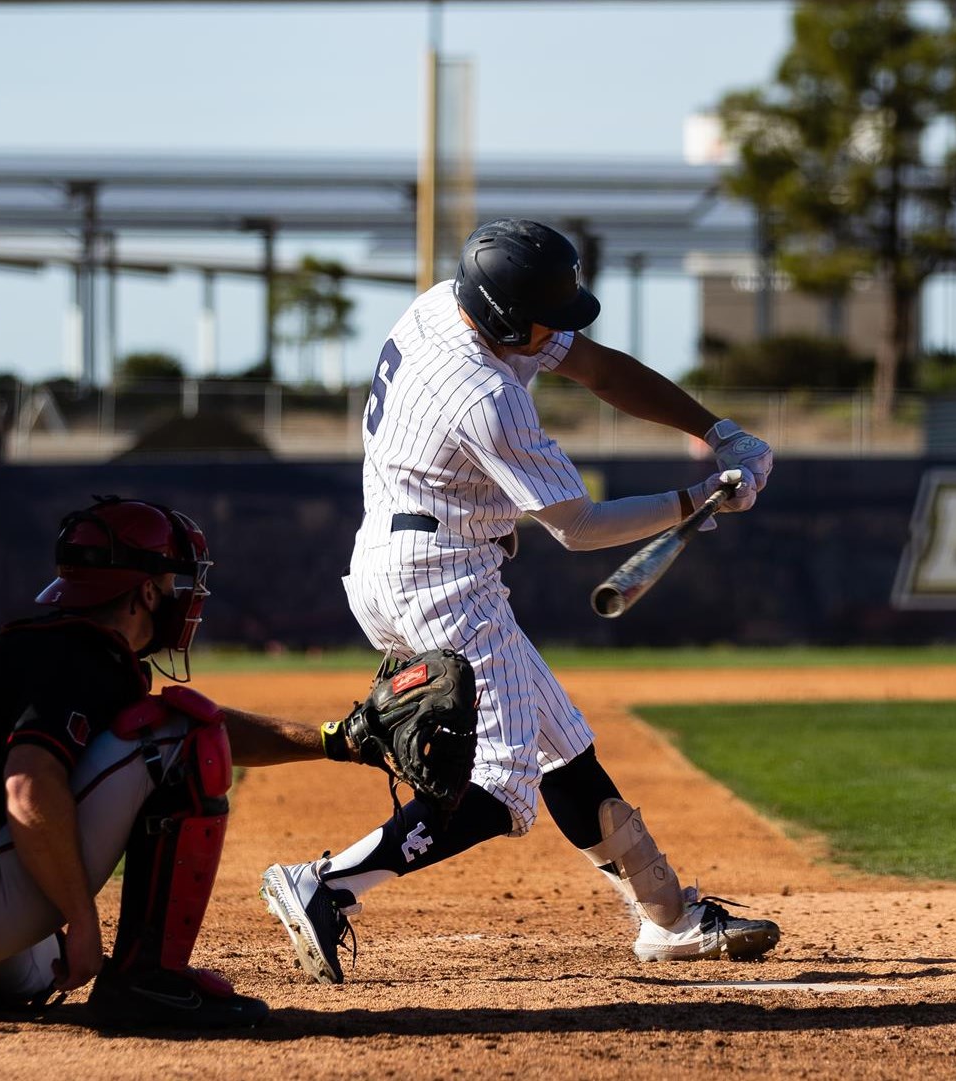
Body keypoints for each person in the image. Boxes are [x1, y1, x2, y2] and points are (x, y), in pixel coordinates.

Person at [259, 219, 781, 986]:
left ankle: (667, 918)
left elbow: (601, 369)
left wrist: (716, 430)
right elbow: (578, 527)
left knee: (562, 746)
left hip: (402, 559)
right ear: (505, 315)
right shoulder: (487, 394)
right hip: (441, 577)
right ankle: (329, 884)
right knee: (502, 789)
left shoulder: (449, 303)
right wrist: (698, 498)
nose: (560, 332)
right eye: (548, 319)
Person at [0, 497, 412, 1031]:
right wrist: (83, 923)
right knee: (181, 734)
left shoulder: (40, 646)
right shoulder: (85, 657)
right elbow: (30, 787)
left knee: (43, 969)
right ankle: (146, 978)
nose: (187, 596)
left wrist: (334, 737)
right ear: (146, 593)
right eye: (177, 581)